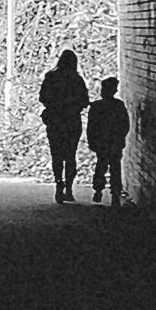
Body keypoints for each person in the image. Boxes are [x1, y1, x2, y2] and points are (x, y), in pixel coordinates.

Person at [38, 44, 91, 203]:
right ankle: (68, 188)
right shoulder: (77, 79)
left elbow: (43, 98)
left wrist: (55, 105)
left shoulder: (51, 77)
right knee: (70, 155)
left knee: (56, 154)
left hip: (54, 121)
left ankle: (58, 183)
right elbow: (84, 101)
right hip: (72, 121)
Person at [85, 73, 130, 206]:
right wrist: (121, 138)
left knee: (101, 165)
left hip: (101, 142)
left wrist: (92, 141)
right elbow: (125, 125)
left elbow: (91, 127)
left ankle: (98, 190)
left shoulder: (96, 106)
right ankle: (115, 194)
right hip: (115, 142)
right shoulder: (119, 105)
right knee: (115, 167)